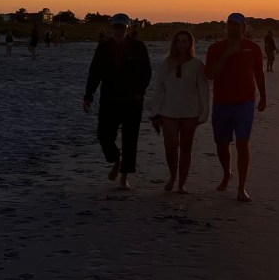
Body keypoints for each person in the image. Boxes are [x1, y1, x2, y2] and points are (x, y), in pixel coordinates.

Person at [83, 13, 152, 190]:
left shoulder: (138, 47)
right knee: (104, 136)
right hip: (109, 98)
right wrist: (88, 96)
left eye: (122, 27)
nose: (119, 30)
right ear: (112, 28)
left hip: (132, 100)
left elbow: (147, 73)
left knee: (130, 139)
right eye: (116, 27)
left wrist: (139, 92)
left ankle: (124, 177)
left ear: (127, 28)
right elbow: (94, 73)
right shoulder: (104, 47)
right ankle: (116, 159)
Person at [205, 12, 268, 202]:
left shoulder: (253, 48)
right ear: (226, 27)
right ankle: (227, 173)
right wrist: (227, 54)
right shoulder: (215, 48)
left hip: (245, 103)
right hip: (222, 102)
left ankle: (242, 187)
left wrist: (263, 97)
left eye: (237, 25)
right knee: (222, 144)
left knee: (242, 143)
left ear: (244, 28)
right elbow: (210, 74)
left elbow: (258, 73)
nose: (232, 28)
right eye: (230, 24)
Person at [149, 30, 210, 193]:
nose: (181, 44)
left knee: (186, 148)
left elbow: (203, 89)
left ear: (190, 44)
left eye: (185, 41)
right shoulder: (166, 64)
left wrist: (205, 112)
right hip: (168, 112)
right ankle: (172, 175)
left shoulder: (197, 65)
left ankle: (182, 182)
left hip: (190, 113)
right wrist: (155, 113)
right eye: (179, 41)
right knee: (170, 148)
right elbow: (158, 90)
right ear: (174, 43)